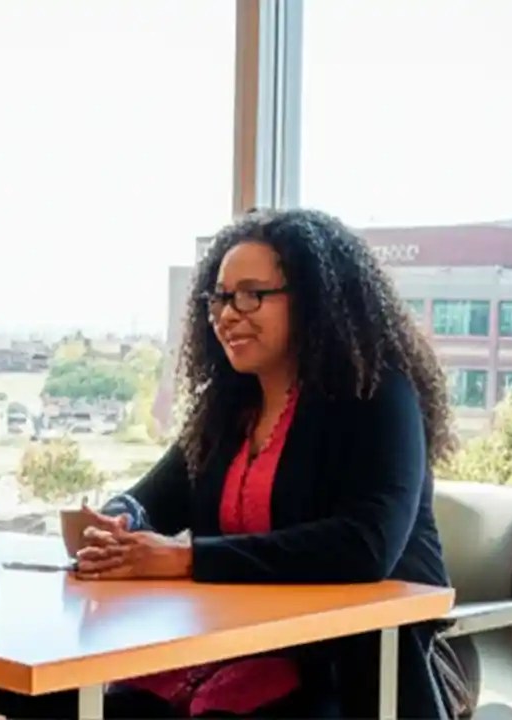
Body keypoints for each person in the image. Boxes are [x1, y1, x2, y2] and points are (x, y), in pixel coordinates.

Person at [75, 208, 457, 719]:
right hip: (229, 646)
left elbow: (365, 546)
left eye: (253, 294)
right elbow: (153, 499)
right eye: (220, 297)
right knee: (77, 705)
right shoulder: (228, 408)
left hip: (350, 665)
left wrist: (189, 559)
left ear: (316, 301)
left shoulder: (377, 394)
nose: (229, 313)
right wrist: (118, 524)